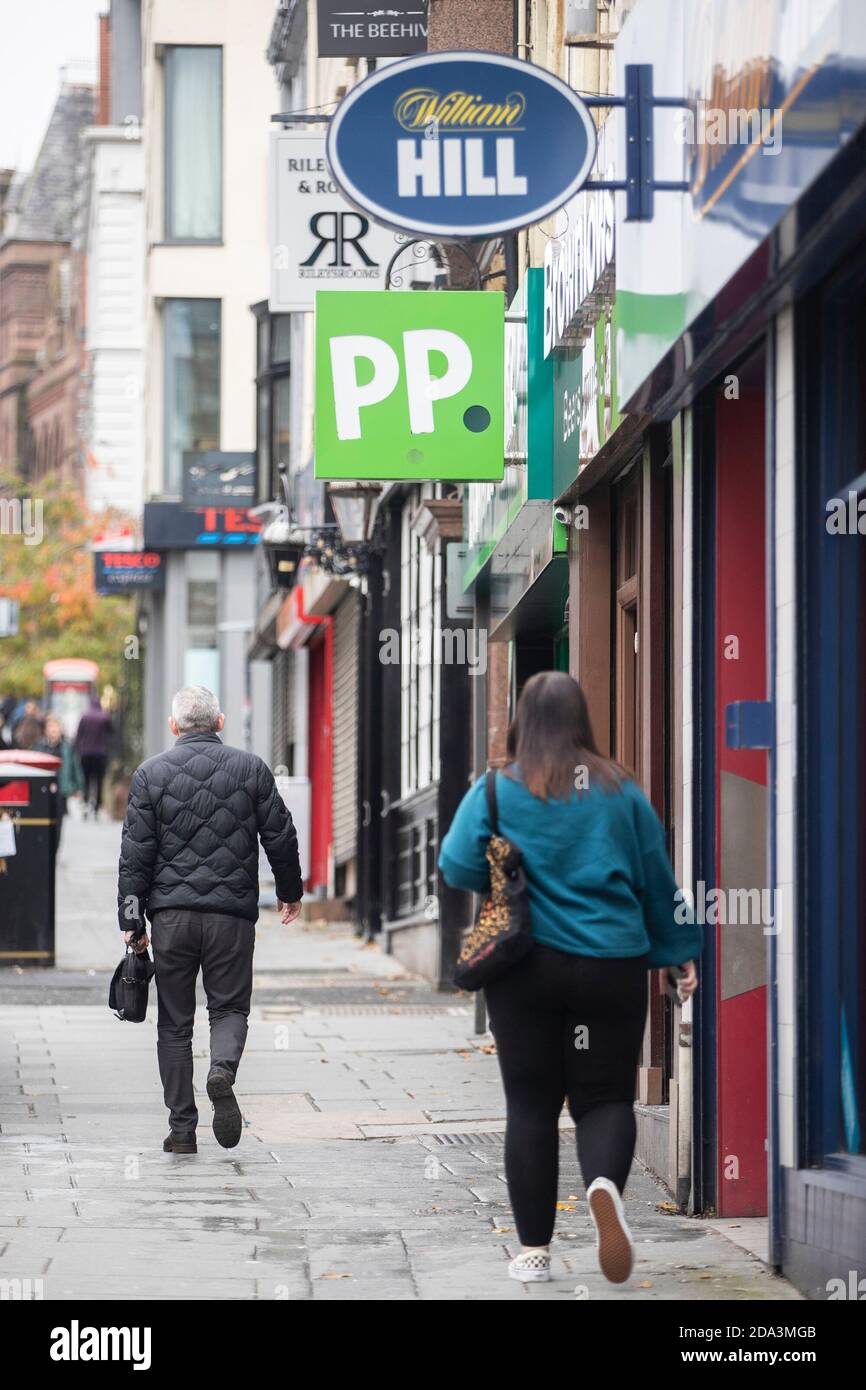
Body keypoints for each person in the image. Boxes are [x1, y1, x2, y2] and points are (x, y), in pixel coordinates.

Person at [439, 671, 702, 1288]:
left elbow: (454, 863)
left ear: (521, 721)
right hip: (609, 967)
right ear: (583, 719)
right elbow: (656, 878)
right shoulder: (620, 790)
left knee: (530, 1104)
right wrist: (678, 952)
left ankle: (533, 1252)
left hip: (525, 969)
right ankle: (604, 1185)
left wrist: (504, 863)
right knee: (605, 1097)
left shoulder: (498, 791)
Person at [117, 685, 304, 1155]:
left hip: (172, 920)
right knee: (228, 1009)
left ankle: (182, 1130)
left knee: (174, 1025)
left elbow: (134, 856)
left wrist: (132, 920)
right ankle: (221, 1069)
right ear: (220, 723)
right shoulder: (250, 769)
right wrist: (290, 893)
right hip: (231, 918)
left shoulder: (149, 775)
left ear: (174, 726)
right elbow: (280, 835)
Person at [37, 714, 84, 850]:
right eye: (51, 727)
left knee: (58, 823)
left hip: (61, 791)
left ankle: (54, 850)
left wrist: (78, 787)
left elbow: (75, 767)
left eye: (56, 727)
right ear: (46, 729)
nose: (54, 730)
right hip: (43, 791)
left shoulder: (67, 748)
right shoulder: (41, 747)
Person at [74, 694, 113, 817]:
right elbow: (111, 732)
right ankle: (97, 807)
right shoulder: (104, 717)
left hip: (85, 753)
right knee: (99, 781)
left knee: (86, 780)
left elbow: (79, 735)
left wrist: (77, 749)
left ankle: (85, 803)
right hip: (100, 754)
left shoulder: (85, 716)